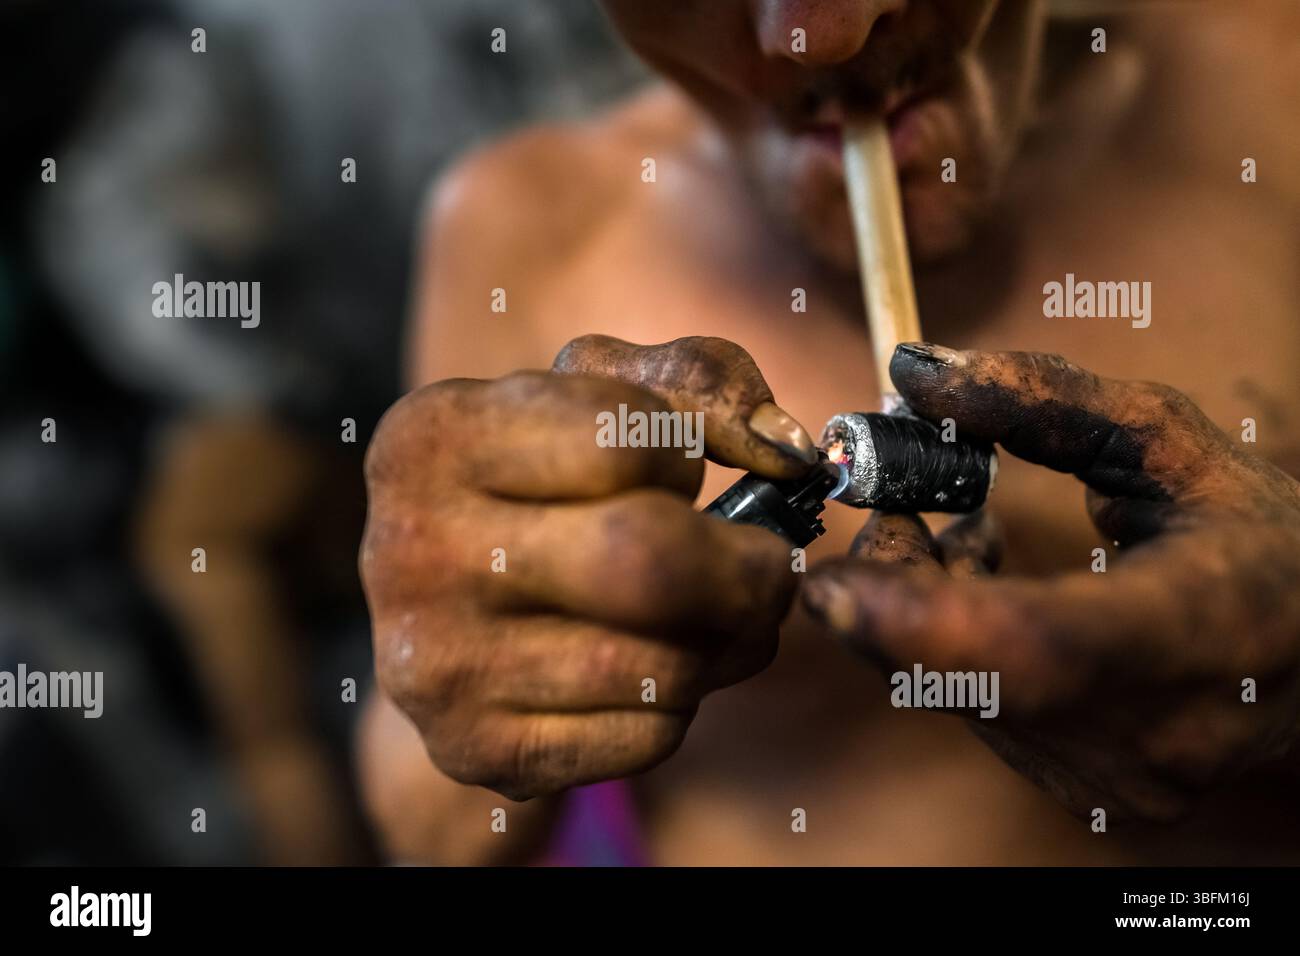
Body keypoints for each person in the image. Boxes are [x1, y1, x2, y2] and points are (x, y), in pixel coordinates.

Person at [357, 0, 1300, 864]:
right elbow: (435, 830)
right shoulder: (519, 232)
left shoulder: (1276, 88)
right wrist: (464, 693)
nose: (825, 31)